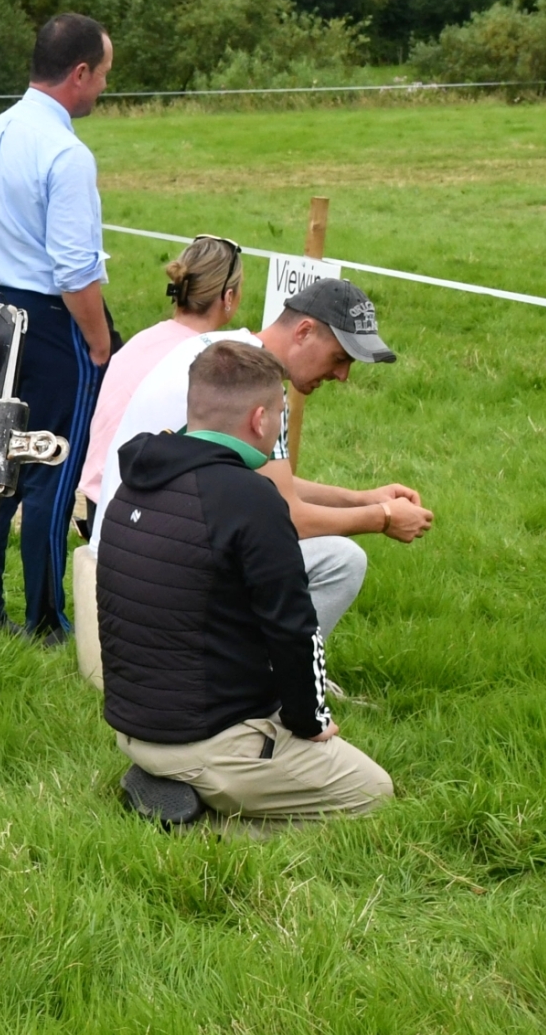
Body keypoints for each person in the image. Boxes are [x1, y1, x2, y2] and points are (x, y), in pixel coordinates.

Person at [98, 341, 393, 820]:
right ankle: (197, 824)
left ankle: (163, 779)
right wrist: (310, 721)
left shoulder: (136, 477)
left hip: (133, 727)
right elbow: (294, 628)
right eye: (279, 414)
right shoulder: (249, 499)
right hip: (202, 741)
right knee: (373, 794)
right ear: (259, 420)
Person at [91, 278, 433, 647]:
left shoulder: (222, 354)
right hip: (156, 574)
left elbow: (267, 482)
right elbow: (291, 519)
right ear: (304, 331)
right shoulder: (258, 384)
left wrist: (362, 497)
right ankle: (280, 683)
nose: (343, 375)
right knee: (341, 560)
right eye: (340, 357)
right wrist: (382, 518)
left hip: (125, 548)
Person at [0, 13, 117, 644]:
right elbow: (75, 268)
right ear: (79, 74)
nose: (104, 88)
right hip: (53, 318)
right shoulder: (65, 152)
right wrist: (100, 342)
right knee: (55, 467)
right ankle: (47, 618)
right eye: (103, 75)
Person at [79, 234, 244, 522]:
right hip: (136, 512)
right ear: (228, 297)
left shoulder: (141, 341)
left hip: (98, 498)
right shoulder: (210, 361)